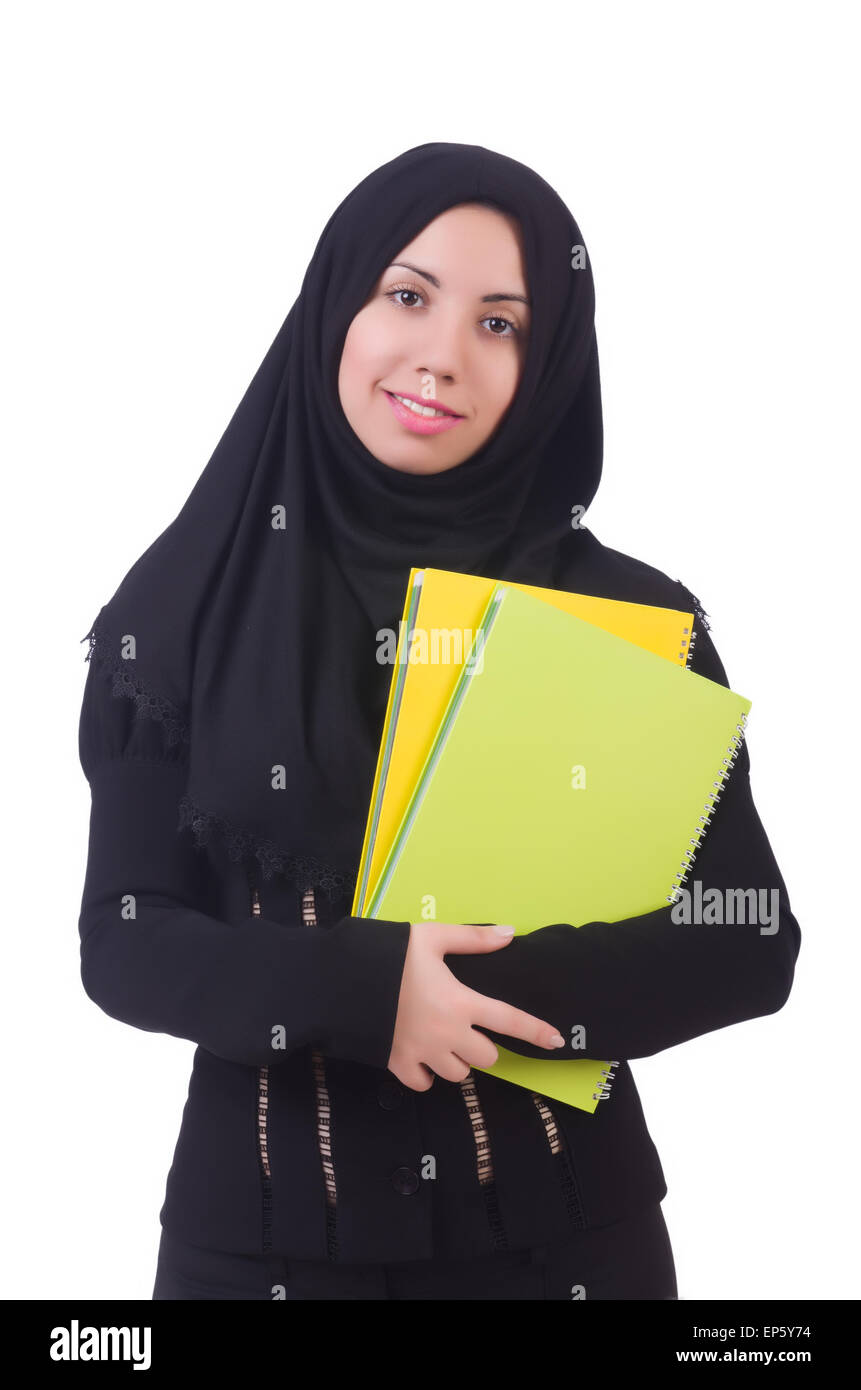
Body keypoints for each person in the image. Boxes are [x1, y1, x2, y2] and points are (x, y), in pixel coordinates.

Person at [77, 142, 801, 1301]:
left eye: (502, 324)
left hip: (570, 1249)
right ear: (338, 308)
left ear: (550, 362)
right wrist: (367, 991)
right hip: (256, 1251)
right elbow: (123, 938)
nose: (443, 355)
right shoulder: (178, 613)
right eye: (408, 295)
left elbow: (749, 938)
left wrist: (468, 999)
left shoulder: (627, 617)